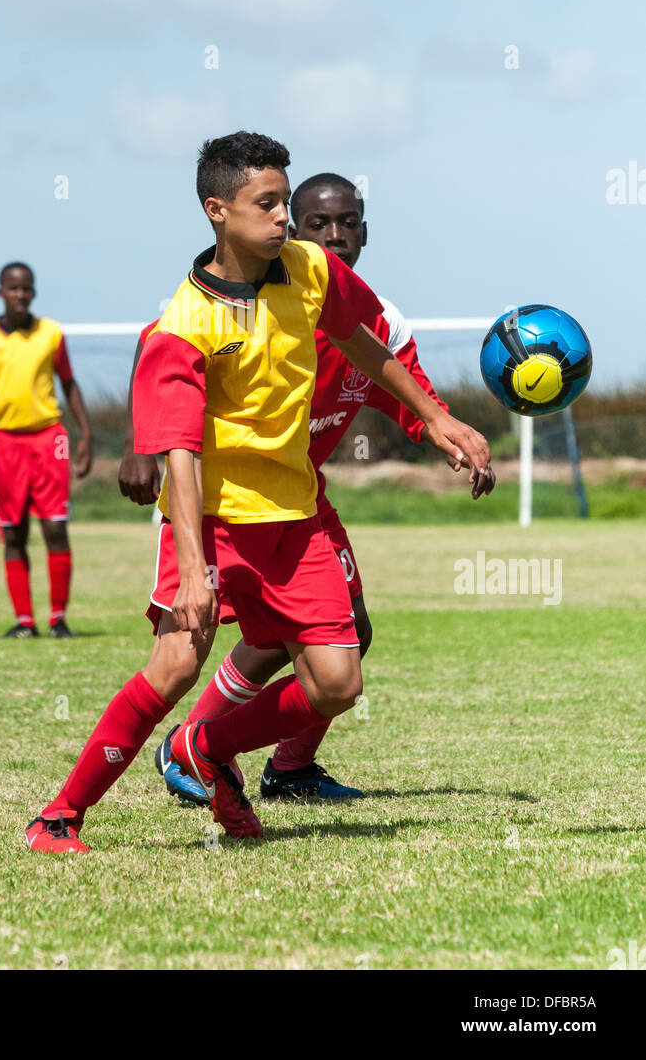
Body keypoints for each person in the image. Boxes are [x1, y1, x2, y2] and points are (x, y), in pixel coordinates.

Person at [25, 132, 491, 853]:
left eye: (283, 201)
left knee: (338, 681)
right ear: (217, 210)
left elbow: (362, 338)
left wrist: (436, 418)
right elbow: (179, 455)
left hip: (296, 516)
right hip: (211, 521)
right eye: (266, 204)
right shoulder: (182, 326)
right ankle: (60, 815)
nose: (283, 218)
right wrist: (194, 571)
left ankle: (203, 747)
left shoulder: (307, 269)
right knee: (178, 662)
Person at [122, 172, 493, 805]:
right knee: (226, 647)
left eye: (348, 222)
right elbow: (163, 350)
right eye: (318, 224)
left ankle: (283, 767)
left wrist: (444, 429)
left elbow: (405, 386)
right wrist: (139, 446)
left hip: (297, 496)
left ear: (366, 232)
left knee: (345, 636)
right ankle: (193, 742)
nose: (335, 235)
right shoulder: (265, 302)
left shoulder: (373, 321)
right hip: (221, 496)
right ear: (293, 229)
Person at [0, 262, 92, 638]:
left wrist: (85, 432)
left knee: (55, 526)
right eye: (13, 288)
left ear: (34, 291)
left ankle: (58, 618)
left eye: (26, 288)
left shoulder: (51, 334)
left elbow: (69, 383)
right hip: (3, 443)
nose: (20, 295)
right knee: (13, 532)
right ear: (0, 292)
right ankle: (24, 622)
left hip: (50, 438)